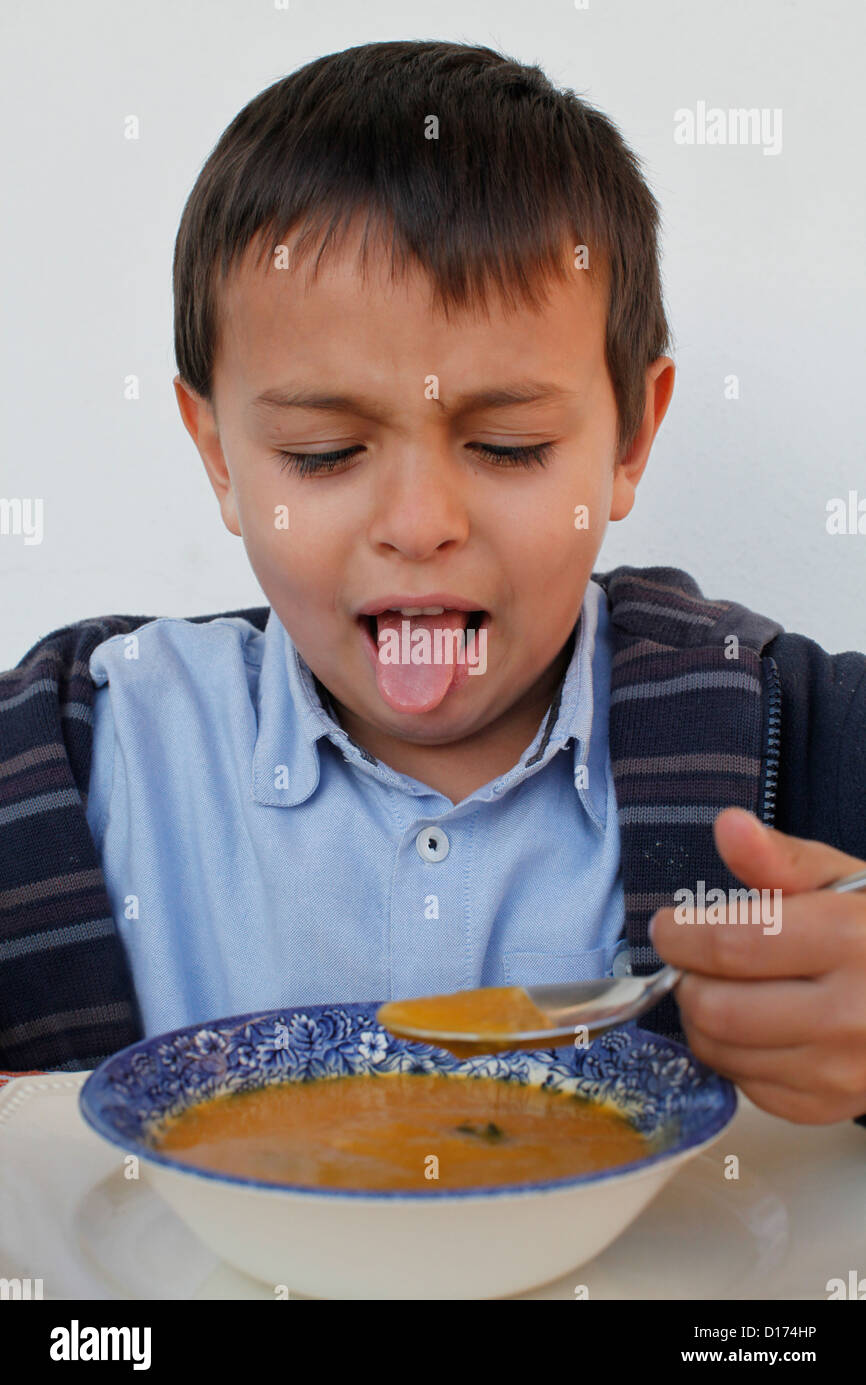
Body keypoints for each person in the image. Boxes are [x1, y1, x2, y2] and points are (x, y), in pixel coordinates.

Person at [2, 40, 865, 1128]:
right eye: (322, 453)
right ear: (220, 455)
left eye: (506, 446)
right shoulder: (64, 766)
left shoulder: (806, 740)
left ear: (630, 440)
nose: (418, 527)